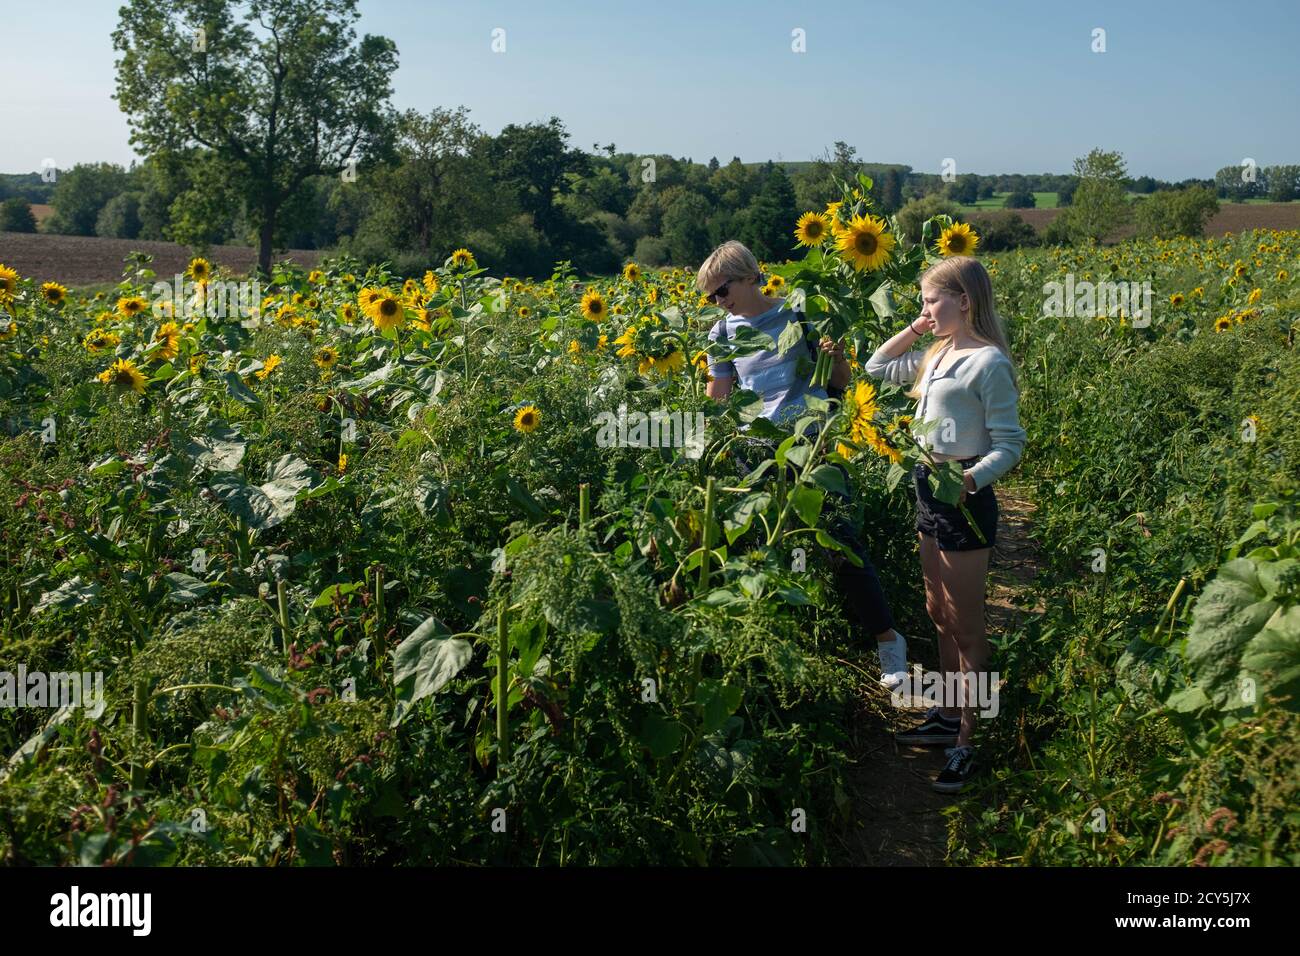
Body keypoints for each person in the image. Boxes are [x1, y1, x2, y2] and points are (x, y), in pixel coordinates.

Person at [696, 240, 909, 688]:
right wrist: (707, 436)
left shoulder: (801, 310)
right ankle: (784, 650)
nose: (718, 302)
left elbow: (840, 382)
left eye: (722, 290)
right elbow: (721, 391)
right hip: (754, 449)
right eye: (711, 296)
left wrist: (832, 357)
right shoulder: (721, 333)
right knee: (761, 545)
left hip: (811, 443)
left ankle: (888, 641)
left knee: (839, 539)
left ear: (750, 275)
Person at [864, 255, 1026, 793]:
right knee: (937, 611)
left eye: (932, 299)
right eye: (922, 301)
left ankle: (967, 741)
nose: (926, 309)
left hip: (962, 492)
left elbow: (1010, 444)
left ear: (965, 300)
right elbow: (875, 368)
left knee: (967, 622)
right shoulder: (937, 351)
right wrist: (917, 327)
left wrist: (970, 482)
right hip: (925, 485)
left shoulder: (988, 363)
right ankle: (947, 710)